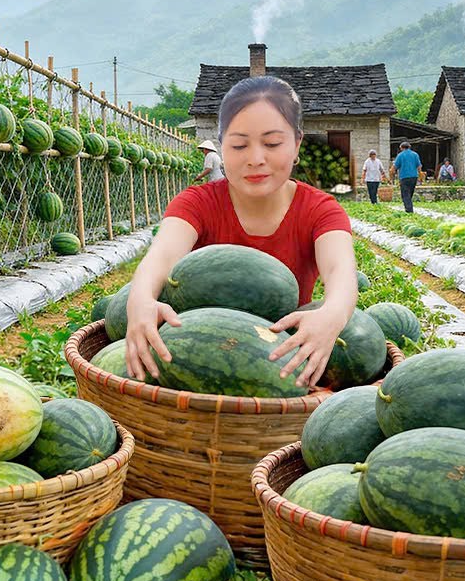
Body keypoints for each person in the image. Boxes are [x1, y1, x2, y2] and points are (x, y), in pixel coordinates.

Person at [122, 75, 357, 388]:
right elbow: (162, 255)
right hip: (196, 359)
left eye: (273, 144)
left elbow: (341, 270)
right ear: (222, 147)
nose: (256, 159)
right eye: (239, 145)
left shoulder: (320, 210)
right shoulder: (197, 203)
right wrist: (140, 300)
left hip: (279, 361)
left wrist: (333, 315)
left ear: (297, 144)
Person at [391, 141, 422, 213]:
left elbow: (395, 167)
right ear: (409, 147)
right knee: (410, 193)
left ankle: (409, 211)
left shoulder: (400, 155)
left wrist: (392, 173)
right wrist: (420, 174)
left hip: (404, 177)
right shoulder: (415, 155)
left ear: (401, 148)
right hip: (414, 176)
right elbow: (419, 166)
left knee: (405, 194)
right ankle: (409, 207)